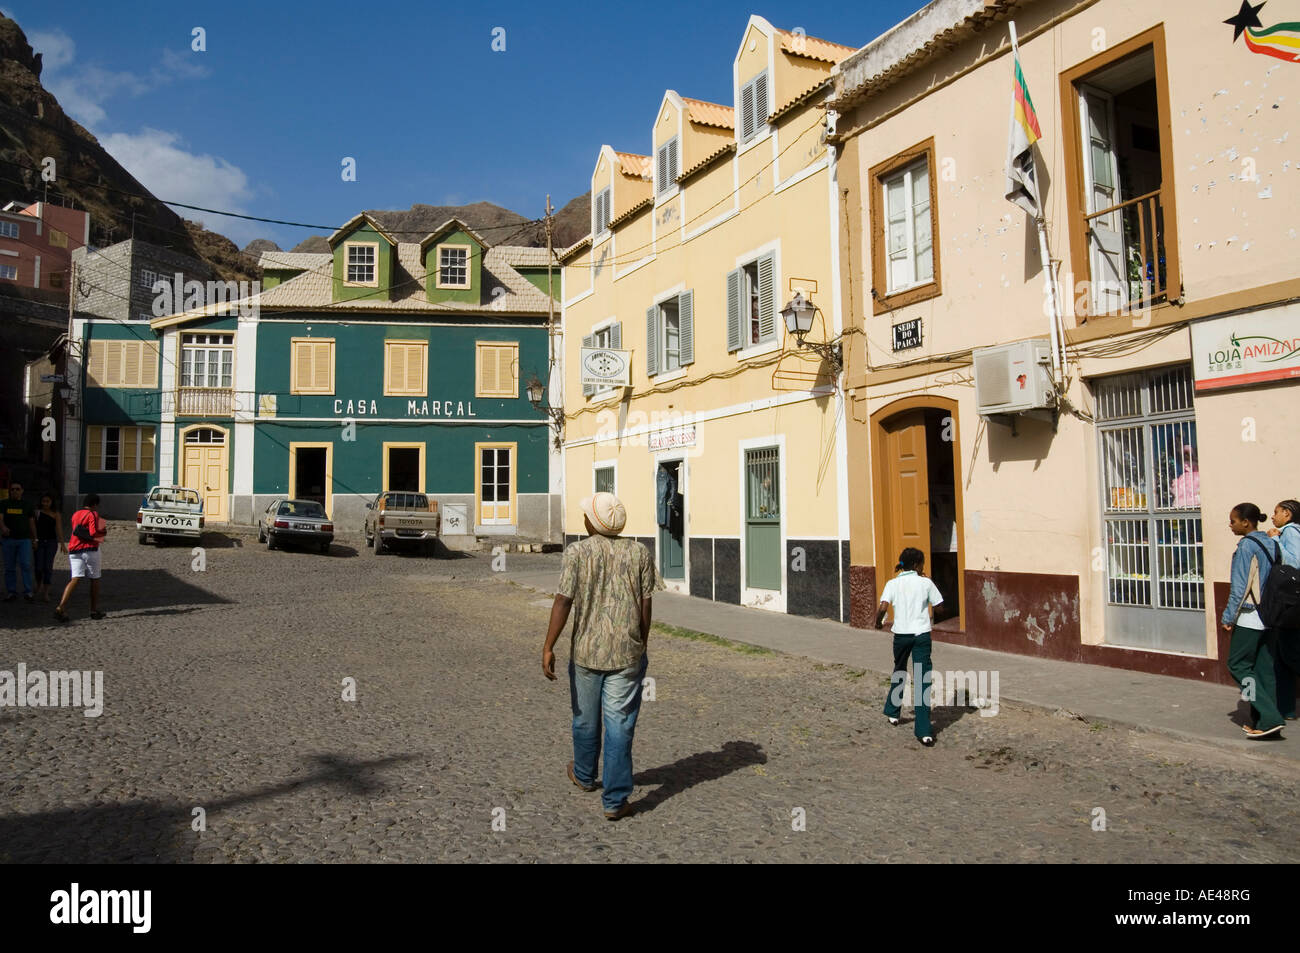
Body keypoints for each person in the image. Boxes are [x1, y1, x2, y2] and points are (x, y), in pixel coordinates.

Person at [542, 492, 655, 820]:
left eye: (586, 516)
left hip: (586, 652)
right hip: (627, 652)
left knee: (584, 718)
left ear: (593, 522)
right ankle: (616, 801)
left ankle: (584, 775)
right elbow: (646, 604)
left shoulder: (577, 552)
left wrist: (549, 645)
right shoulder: (639, 553)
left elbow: (563, 601)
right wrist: (642, 642)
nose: (584, 519)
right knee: (619, 725)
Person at [1222, 503, 1284, 739]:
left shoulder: (1247, 546)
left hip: (1250, 616)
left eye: (1233, 521)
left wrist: (1229, 616)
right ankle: (1265, 722)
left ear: (1246, 522)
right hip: (1271, 614)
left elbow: (1240, 587)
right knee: (1264, 669)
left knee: (1237, 665)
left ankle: (1269, 715)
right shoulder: (1272, 542)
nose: (1231, 525)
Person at [876, 547, 944, 747]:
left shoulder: (892, 583)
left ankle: (893, 712)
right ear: (917, 565)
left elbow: (883, 606)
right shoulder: (925, 583)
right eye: (922, 563)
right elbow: (939, 605)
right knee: (922, 678)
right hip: (921, 635)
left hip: (901, 635)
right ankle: (924, 730)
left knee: (899, 670)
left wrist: (877, 622)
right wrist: (928, 585)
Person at [1266, 499, 1300, 720]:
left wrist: (1275, 539)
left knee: (1289, 654)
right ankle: (1286, 708)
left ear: (1287, 514)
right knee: (1281, 658)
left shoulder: (1290, 532)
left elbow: (1295, 563)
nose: (1272, 516)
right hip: (1287, 603)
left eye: (1276, 512)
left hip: (1291, 603)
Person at [55, 493, 108, 623]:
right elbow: (93, 532)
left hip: (74, 549)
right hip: (90, 549)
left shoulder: (76, 514)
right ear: (95, 504)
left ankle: (61, 607)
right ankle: (94, 610)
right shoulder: (93, 514)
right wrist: (104, 531)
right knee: (94, 578)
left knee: (75, 578)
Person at [1, 479, 38, 603]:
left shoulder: (27, 505)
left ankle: (28, 591)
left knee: (26, 565)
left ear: (22, 491)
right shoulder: (4, 504)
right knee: (9, 567)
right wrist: (3, 527)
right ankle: (11, 592)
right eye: (13, 489)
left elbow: (31, 523)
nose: (15, 491)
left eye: (17, 489)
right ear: (9, 491)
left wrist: (35, 538)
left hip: (24, 540)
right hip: (8, 540)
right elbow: (0, 518)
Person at [34, 492, 66, 603]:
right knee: (38, 566)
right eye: (44, 501)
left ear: (51, 502)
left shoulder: (55, 514)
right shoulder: (37, 513)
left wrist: (62, 543)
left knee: (48, 567)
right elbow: (32, 526)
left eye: (48, 501)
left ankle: (46, 592)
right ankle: (38, 585)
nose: (45, 504)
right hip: (40, 542)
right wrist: (34, 540)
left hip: (51, 542)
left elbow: (59, 529)